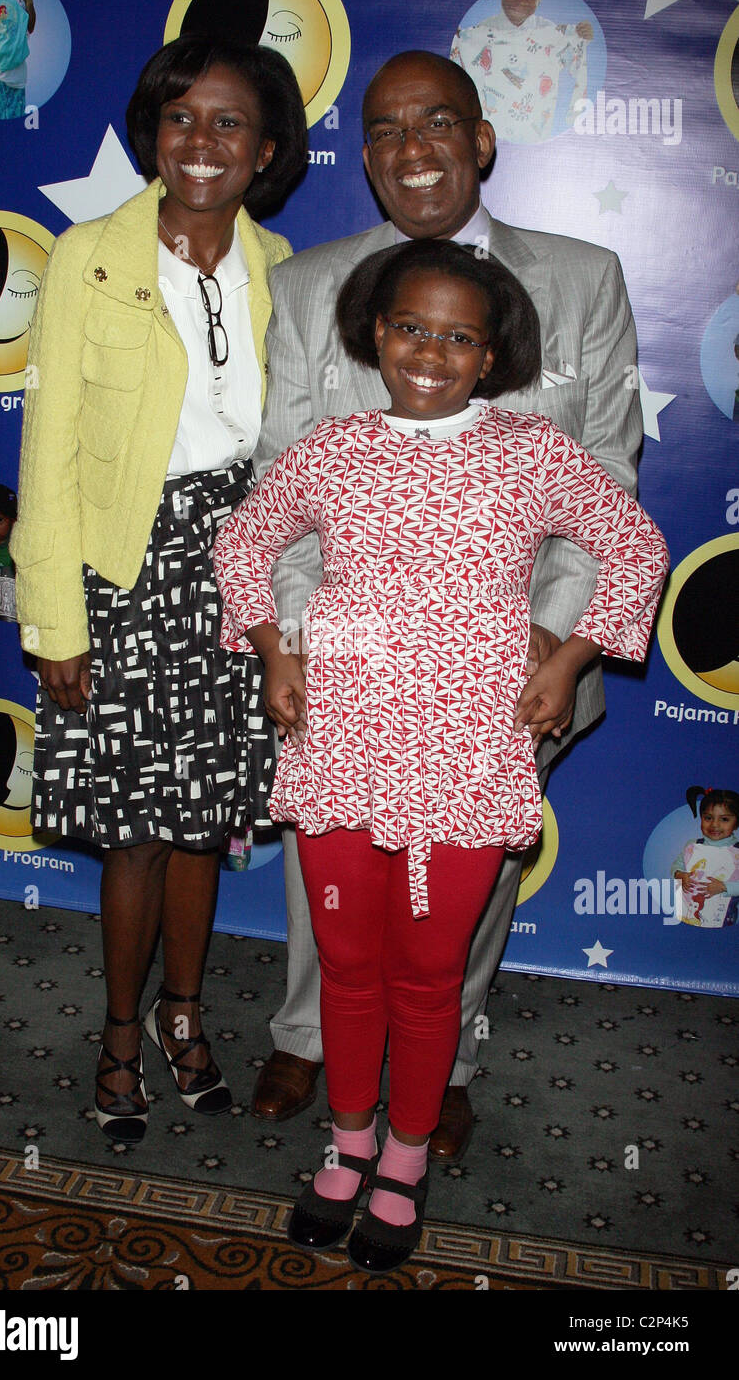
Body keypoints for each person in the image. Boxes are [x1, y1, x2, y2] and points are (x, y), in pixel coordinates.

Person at [213, 239, 668, 1272]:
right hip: (340, 741)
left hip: (469, 751)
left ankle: (405, 1160)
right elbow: (246, 541)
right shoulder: (329, 448)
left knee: (425, 979)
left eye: (459, 335)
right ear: (375, 331)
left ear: (490, 351)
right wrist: (275, 650)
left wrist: (569, 661)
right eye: (411, 326)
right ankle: (349, 1142)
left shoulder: (534, 452)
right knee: (347, 968)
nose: (431, 350)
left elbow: (634, 545)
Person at [250, 48, 643, 1163]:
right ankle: (311, 1037)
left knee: (467, 879)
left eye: (435, 123)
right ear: (361, 154)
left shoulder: (580, 277)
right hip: (349, 663)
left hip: (505, 657)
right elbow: (282, 490)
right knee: (325, 850)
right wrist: (299, 641)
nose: (410, 148)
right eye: (382, 129)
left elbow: (604, 477)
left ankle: (446, 1055)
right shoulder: (308, 285)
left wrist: (548, 638)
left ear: (479, 139)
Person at [10, 36, 306, 1144]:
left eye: (228, 123)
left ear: (266, 149)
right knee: (131, 831)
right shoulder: (87, 257)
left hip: (242, 568)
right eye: (180, 118)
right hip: (122, 570)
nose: (201, 141)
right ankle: (121, 1034)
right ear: (153, 133)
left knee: (205, 822)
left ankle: (187, 1017)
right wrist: (54, 619)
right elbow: (47, 457)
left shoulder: (287, 269)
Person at [450, 0, 593, 145]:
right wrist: (457, 40)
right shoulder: (477, 35)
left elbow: (579, 71)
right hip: (490, 137)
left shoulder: (552, 34)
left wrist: (580, 39)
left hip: (532, 139)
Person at [672, 787, 739, 928]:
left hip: (721, 917)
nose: (715, 825)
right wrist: (679, 874)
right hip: (687, 914)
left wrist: (724, 887)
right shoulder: (692, 846)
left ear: (736, 823)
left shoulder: (736, 853)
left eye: (724, 819)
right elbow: (677, 865)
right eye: (708, 818)